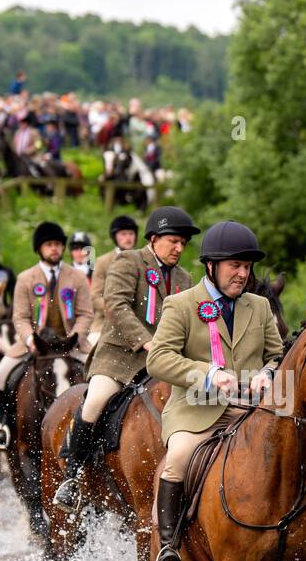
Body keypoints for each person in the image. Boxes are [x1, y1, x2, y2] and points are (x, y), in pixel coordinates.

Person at [144, 220, 283, 561]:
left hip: (250, 410)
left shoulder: (260, 305)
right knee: (178, 458)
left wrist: (267, 375)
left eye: (247, 267)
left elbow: (277, 355)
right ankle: (169, 552)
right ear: (211, 266)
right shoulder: (181, 304)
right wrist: (207, 374)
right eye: (234, 266)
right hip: (196, 410)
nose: (242, 274)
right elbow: (157, 359)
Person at [51, 207, 198, 511]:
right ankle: (73, 477)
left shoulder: (184, 277)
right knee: (94, 401)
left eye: (183, 243)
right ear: (154, 239)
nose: (179, 249)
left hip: (164, 361)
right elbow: (116, 305)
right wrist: (146, 341)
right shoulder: (128, 261)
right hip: (121, 357)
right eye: (173, 241)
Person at [0, 222, 94, 450]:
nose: (54, 249)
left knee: (99, 375)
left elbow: (86, 314)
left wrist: (75, 336)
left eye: (57, 245)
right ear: (39, 249)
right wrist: (28, 340)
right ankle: (4, 427)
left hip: (71, 344)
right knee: (0, 376)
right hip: (35, 344)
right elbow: (20, 317)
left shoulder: (77, 277)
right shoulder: (26, 278)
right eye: (49, 245)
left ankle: (98, 430)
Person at [89, 214, 139, 345]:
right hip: (105, 323)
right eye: (123, 234)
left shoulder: (144, 261)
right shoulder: (102, 262)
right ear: (114, 237)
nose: (128, 238)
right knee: (93, 344)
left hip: (139, 322)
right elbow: (95, 298)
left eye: (131, 233)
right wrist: (120, 312)